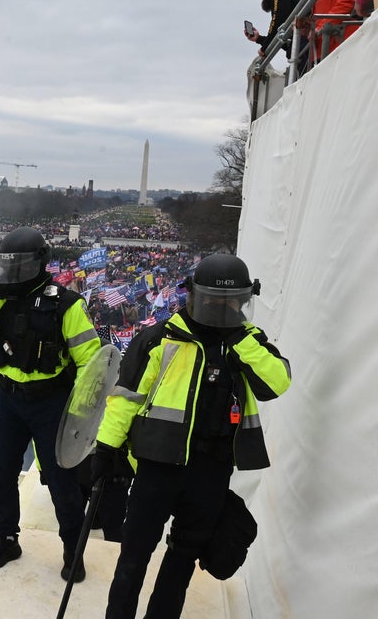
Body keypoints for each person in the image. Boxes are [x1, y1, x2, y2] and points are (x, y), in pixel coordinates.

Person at [94, 254, 291, 618]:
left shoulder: (247, 343)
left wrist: (239, 339)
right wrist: (105, 448)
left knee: (182, 561)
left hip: (211, 471)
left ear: (244, 302)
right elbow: (124, 399)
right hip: (157, 466)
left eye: (230, 303)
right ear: (193, 296)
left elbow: (277, 382)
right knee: (134, 555)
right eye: (212, 301)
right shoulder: (159, 338)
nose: (220, 309)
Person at [0, 226, 102, 583]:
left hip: (51, 404)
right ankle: (7, 537)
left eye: (20, 265)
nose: (13, 272)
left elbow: (91, 360)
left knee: (61, 482)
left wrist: (78, 410)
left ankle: (72, 548)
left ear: (40, 263)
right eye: (7, 265)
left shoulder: (66, 304)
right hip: (9, 401)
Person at [246, 0, 304, 71]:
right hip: (304, 49)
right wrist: (259, 39)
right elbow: (283, 39)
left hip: (307, 50)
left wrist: (264, 47)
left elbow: (277, 24)